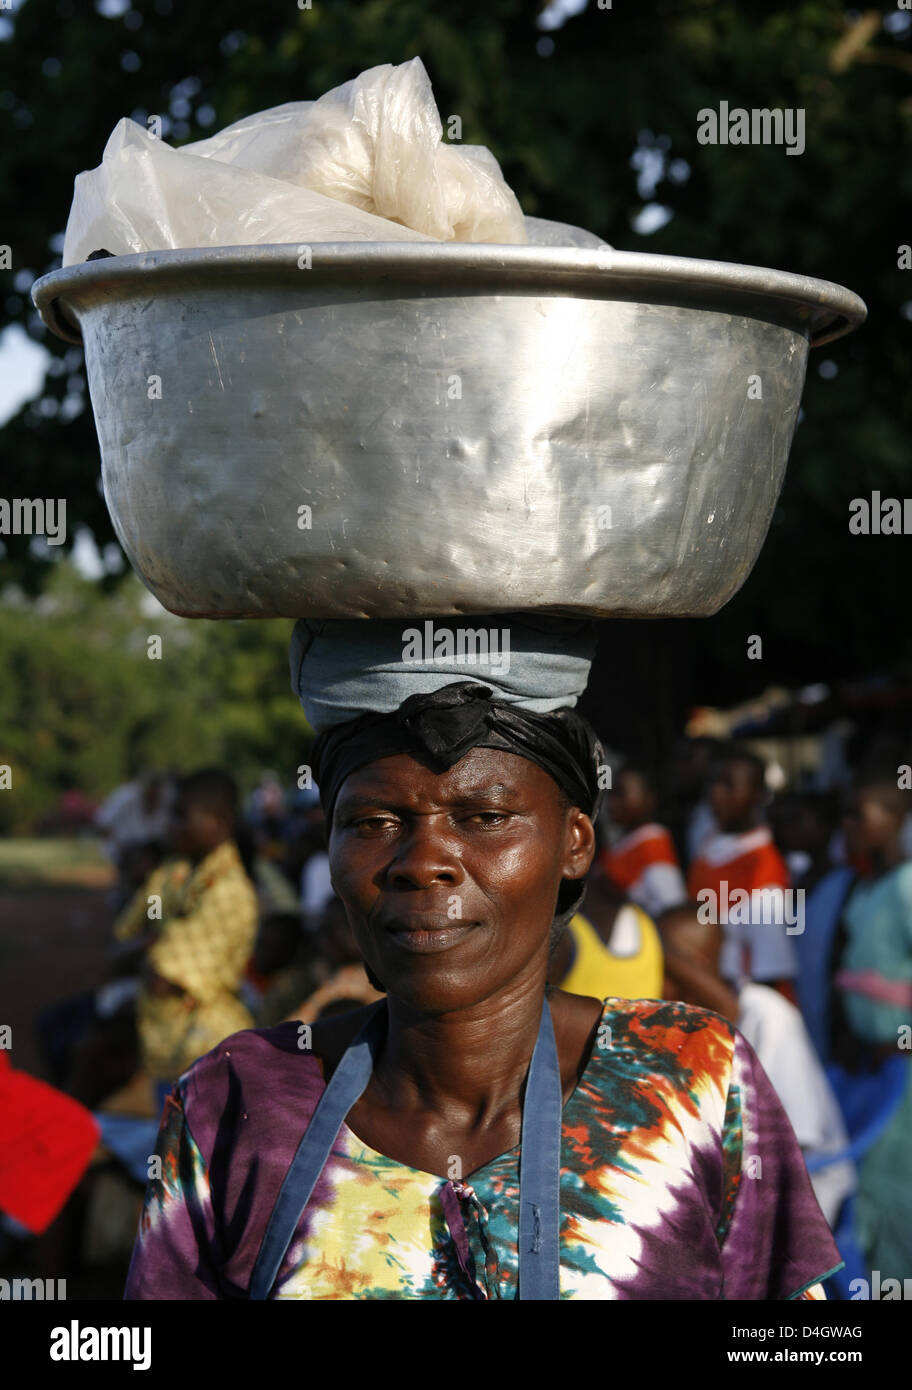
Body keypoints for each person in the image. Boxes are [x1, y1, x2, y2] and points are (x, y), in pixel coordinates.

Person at [124, 617, 842, 1300]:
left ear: (575, 844)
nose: (425, 862)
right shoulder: (235, 1102)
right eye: (374, 823)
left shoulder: (693, 1080)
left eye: (485, 818)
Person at [659, 903, 856, 1230]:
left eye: (664, 968)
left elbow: (790, 1142)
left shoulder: (766, 1015)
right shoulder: (686, 1026)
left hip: (798, 1192)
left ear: (692, 966)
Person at [113, 769, 259, 1089]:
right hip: (162, 1043)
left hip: (203, 1050)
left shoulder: (231, 892)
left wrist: (144, 947)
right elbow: (122, 936)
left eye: (180, 816)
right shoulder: (174, 872)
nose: (170, 824)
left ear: (218, 821)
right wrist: (146, 950)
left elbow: (162, 978)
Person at [835, 774, 912, 1284]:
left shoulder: (907, 886)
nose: (850, 826)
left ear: (896, 820)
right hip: (869, 1069)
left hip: (901, 1074)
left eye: (861, 815)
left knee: (895, 1193)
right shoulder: (862, 887)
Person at [687, 747, 798, 1001]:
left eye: (728, 785)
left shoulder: (763, 871)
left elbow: (769, 976)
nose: (716, 793)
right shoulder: (710, 840)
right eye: (714, 782)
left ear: (757, 795)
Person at [600, 765, 686, 920]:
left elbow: (670, 906)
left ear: (649, 799)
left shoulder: (653, 845)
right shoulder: (624, 841)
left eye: (621, 793)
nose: (612, 802)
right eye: (611, 793)